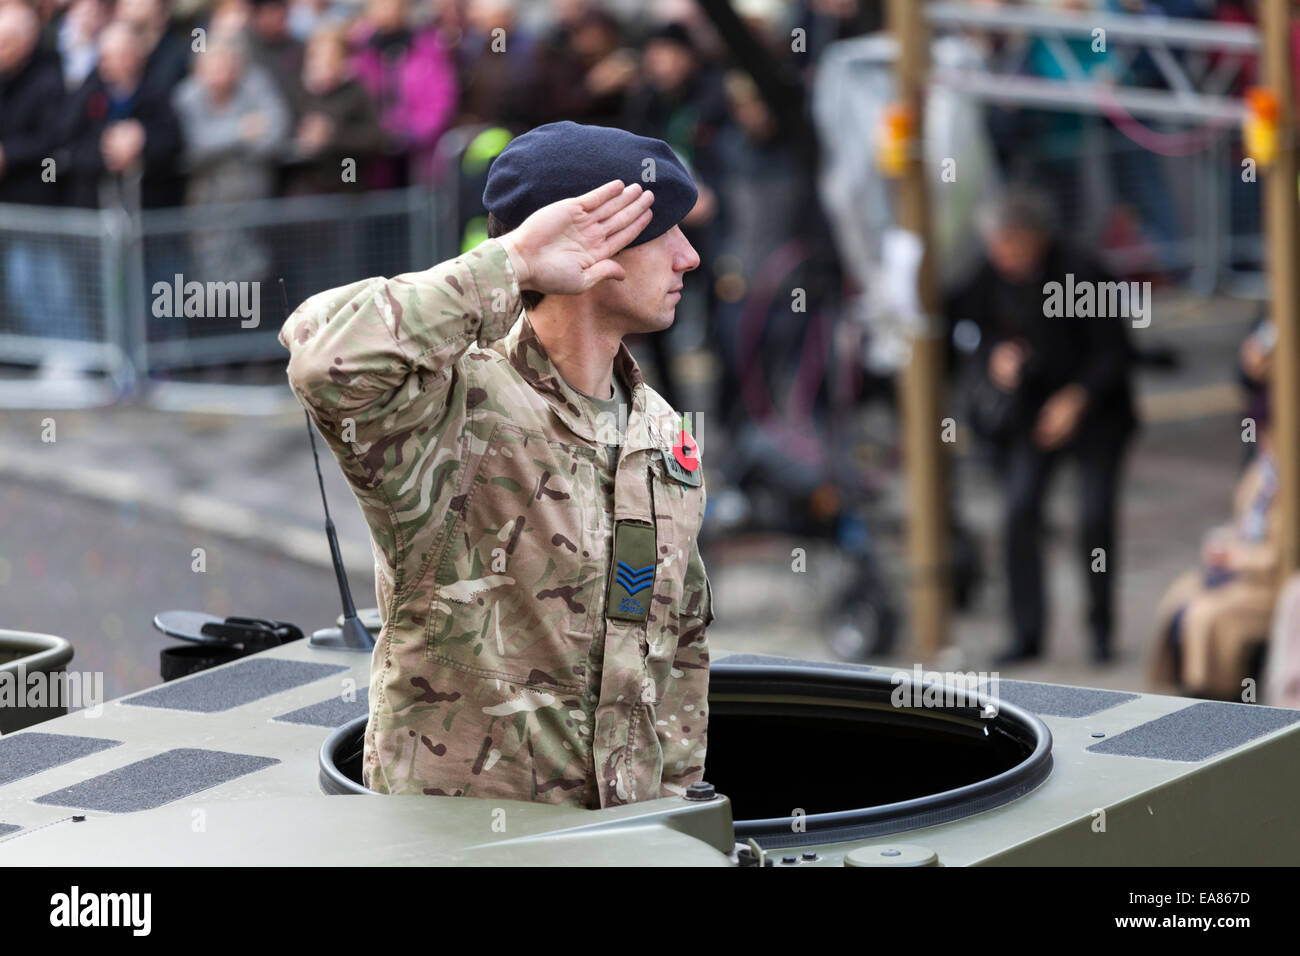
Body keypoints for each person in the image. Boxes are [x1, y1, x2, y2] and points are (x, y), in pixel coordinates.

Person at [279, 122, 714, 807]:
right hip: (459, 848)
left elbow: (678, 650)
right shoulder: (452, 403)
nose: (689, 257)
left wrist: (682, 819)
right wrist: (509, 261)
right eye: (665, 230)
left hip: (620, 847)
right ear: (593, 241)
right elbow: (325, 359)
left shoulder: (661, 433)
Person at [948, 187, 1137, 665]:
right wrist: (995, 354)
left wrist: (1077, 400)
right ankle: (1026, 632)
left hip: (1096, 413)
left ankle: (1100, 629)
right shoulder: (990, 275)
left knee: (1094, 517)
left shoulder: (1081, 271)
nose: (1002, 254)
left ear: (1034, 237)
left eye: (1010, 243)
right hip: (1031, 415)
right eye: (996, 244)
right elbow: (965, 324)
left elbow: (1116, 353)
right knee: (1019, 511)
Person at [1150, 395, 1279, 700]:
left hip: (1265, 581)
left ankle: (1220, 701)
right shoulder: (1262, 471)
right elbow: (1245, 523)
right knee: (1178, 599)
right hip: (1240, 569)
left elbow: (1282, 554)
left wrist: (1241, 559)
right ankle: (1191, 695)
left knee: (1205, 617)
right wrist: (1224, 544)